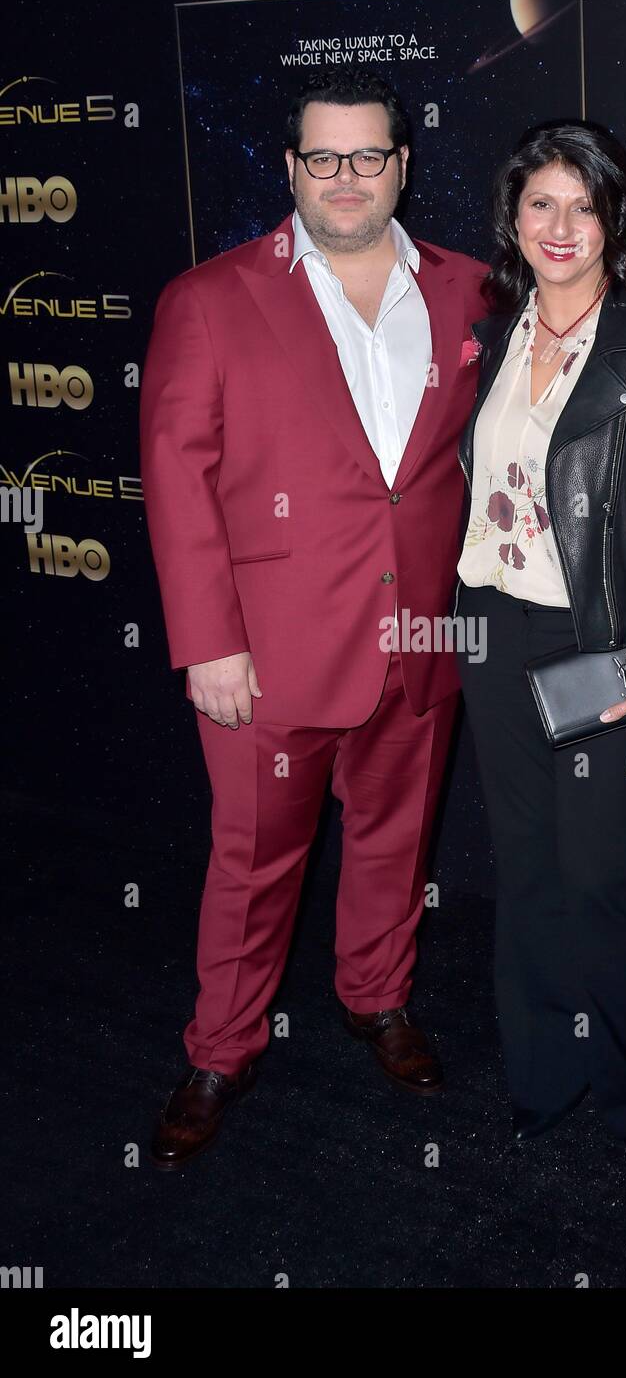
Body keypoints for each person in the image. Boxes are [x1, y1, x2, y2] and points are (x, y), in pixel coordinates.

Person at [139, 67, 488, 1170]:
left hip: (419, 641)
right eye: (324, 158)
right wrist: (206, 642)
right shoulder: (210, 297)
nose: (348, 178)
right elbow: (177, 473)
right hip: (266, 653)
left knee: (397, 841)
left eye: (369, 156)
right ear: (292, 167)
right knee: (252, 864)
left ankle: (375, 998)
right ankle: (222, 1048)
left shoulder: (471, 292)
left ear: (403, 164)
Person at [454, 121, 626, 1159]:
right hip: (491, 629)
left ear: (616, 217)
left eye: (583, 203)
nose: (560, 226)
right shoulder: (494, 336)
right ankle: (540, 1072)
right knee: (524, 867)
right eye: (539, 204)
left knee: (598, 872)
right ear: (511, 221)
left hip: (600, 642)